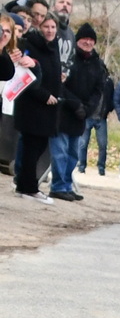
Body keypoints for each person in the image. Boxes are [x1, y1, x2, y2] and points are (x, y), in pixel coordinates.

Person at [15, 16, 69, 201]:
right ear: (40, 27)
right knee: (32, 148)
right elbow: (27, 77)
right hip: (33, 106)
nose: (50, 30)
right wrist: (45, 95)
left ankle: (27, 185)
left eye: (53, 27)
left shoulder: (53, 47)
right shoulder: (31, 45)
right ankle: (28, 188)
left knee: (38, 147)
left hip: (49, 108)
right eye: (46, 26)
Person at [64, 21, 103, 176]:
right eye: (84, 39)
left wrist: (87, 109)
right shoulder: (69, 58)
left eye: (91, 39)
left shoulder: (97, 64)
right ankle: (59, 184)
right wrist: (75, 104)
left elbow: (98, 90)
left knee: (74, 153)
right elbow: (62, 84)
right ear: (77, 40)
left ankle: (66, 184)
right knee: (61, 151)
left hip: (82, 115)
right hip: (65, 111)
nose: (88, 42)